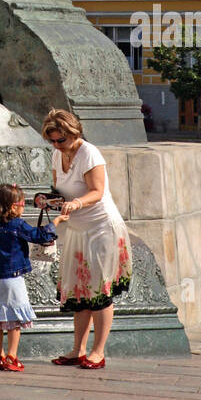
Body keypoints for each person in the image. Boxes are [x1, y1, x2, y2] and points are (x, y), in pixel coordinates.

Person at [43, 108, 132, 370]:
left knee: (99, 291)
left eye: (62, 140)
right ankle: (78, 350)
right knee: (79, 292)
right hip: (78, 230)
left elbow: (97, 191)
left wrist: (77, 203)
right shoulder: (56, 154)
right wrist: (48, 200)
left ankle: (98, 351)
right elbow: (58, 189)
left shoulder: (89, 153)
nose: (57, 145)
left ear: (74, 133)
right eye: (52, 141)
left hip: (100, 228)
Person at [0, 183, 57, 371]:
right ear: (13, 206)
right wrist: (56, 223)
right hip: (13, 280)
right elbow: (39, 235)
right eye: (22, 204)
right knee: (14, 320)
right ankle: (12, 356)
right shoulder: (17, 224)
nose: (23, 208)